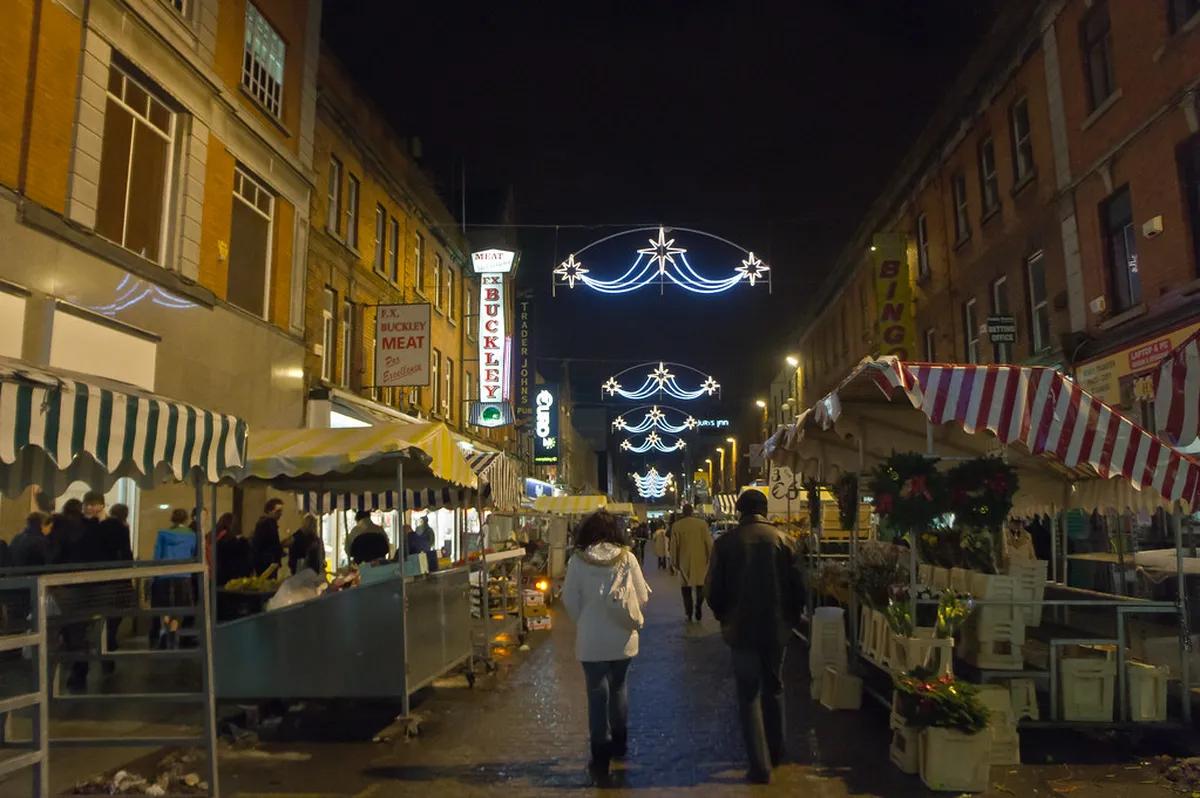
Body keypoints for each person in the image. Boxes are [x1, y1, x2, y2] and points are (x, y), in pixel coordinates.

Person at [705, 489, 804, 785]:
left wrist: (724, 615)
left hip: (740, 628)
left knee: (748, 695)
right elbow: (799, 586)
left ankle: (759, 765)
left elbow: (713, 590)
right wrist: (791, 618)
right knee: (774, 687)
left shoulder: (726, 543)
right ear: (765, 509)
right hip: (777, 627)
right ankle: (777, 752)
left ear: (739, 511)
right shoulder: (785, 540)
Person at [562, 510, 650, 784]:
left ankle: (600, 758)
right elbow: (643, 596)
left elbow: (568, 599)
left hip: (591, 641)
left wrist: (585, 621)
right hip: (623, 638)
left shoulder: (578, 561)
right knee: (620, 688)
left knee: (596, 695)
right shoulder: (627, 558)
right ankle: (620, 744)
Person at [150, 509, 198, 649]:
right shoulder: (192, 535)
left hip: (164, 575)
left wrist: (155, 575)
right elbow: (192, 553)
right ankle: (173, 631)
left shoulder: (163, 534)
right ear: (186, 519)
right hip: (183, 575)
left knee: (165, 605)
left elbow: (157, 555)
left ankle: (164, 630)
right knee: (180, 606)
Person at [97, 503, 133, 670]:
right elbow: (126, 553)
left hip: (103, 578)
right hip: (119, 580)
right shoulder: (123, 528)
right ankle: (109, 644)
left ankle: (106, 646)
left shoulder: (101, 526)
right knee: (115, 616)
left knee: (105, 615)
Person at [670, 504, 713, 623]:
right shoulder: (702, 524)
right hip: (701, 560)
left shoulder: (677, 526)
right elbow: (708, 543)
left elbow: (673, 546)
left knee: (686, 589)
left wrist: (674, 562)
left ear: (683, 512)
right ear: (692, 512)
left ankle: (689, 612)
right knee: (701, 586)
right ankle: (698, 605)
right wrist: (711, 558)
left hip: (684, 560)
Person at [214, 513, 252, 586]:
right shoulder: (241, 542)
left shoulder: (216, 539)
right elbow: (247, 561)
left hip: (220, 578)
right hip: (237, 579)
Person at [250, 498, 285, 576]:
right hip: (266, 564)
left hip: (269, 563)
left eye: (281, 511)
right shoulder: (266, 524)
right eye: (278, 511)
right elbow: (259, 545)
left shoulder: (270, 524)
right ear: (269, 511)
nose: (280, 514)